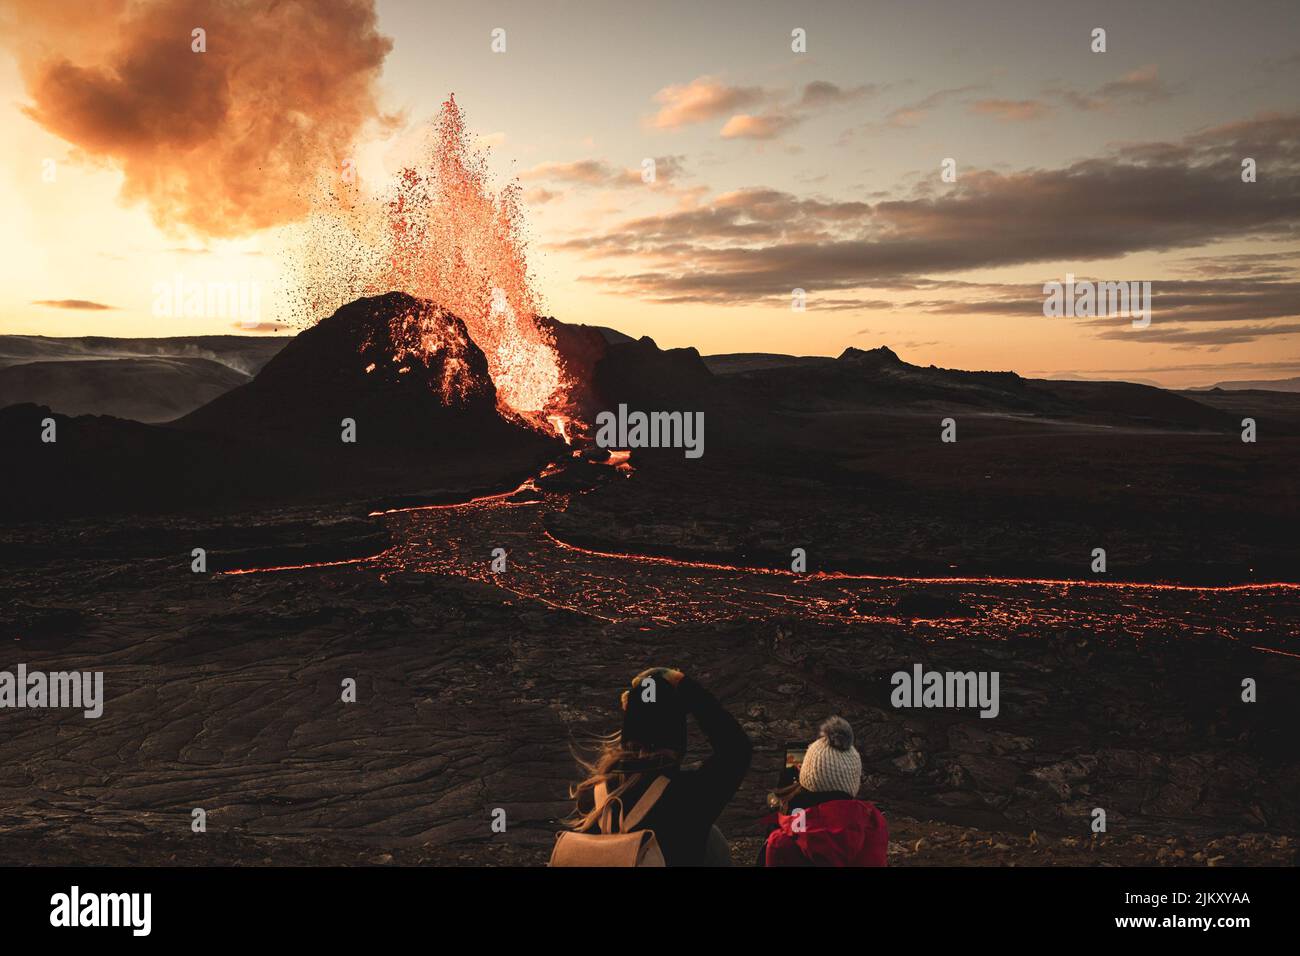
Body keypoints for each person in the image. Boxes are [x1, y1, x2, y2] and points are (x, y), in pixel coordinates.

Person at [566, 667, 752, 866]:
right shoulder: (689, 796)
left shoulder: (590, 796)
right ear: (678, 738)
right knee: (713, 839)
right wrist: (683, 683)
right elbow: (736, 747)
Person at [763, 716, 888, 867]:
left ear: (806, 779)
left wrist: (782, 820)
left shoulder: (780, 843)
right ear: (853, 780)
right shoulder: (874, 828)